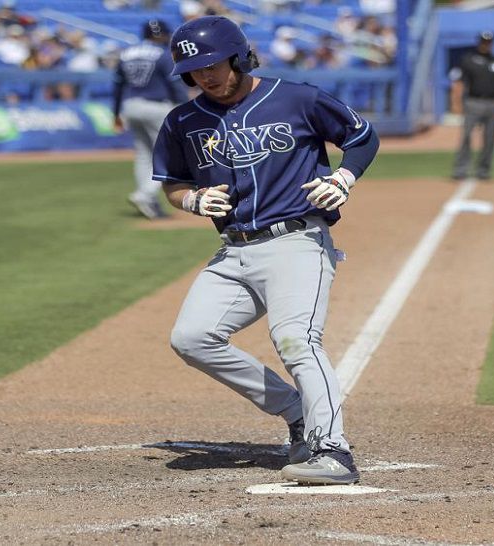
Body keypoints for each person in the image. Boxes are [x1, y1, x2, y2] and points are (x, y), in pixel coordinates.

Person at [153, 16, 380, 485]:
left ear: (238, 56)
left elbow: (361, 136)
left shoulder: (296, 97)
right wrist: (191, 200)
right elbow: (173, 183)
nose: (206, 77)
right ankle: (295, 409)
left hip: (297, 242)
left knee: (297, 339)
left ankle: (333, 450)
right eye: (195, 72)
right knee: (192, 338)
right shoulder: (183, 121)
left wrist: (343, 177)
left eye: (213, 65)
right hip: (233, 252)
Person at [113, 19, 186, 220]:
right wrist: (184, 108)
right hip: (156, 106)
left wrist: (116, 113)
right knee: (169, 155)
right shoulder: (162, 54)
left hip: (130, 105)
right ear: (160, 35)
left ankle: (147, 198)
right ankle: (144, 194)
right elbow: (175, 84)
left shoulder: (126, 53)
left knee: (144, 154)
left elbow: (118, 86)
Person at [450, 31, 494, 181]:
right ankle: (461, 169)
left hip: (492, 102)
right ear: (479, 42)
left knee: (490, 138)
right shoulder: (468, 60)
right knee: (466, 136)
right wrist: (456, 102)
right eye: (484, 42)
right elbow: (459, 83)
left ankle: (484, 170)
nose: (486, 45)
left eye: (489, 42)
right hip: (473, 102)